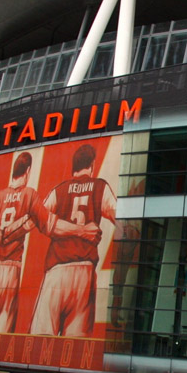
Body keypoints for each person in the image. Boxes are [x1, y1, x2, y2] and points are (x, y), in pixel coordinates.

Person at [0, 152, 97, 333]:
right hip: (11, 270)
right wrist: (82, 230)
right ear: (28, 171)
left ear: (14, 172)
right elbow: (50, 224)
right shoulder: (30, 196)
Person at [30, 143, 117, 337]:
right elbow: (121, 219)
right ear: (92, 165)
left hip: (57, 268)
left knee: (40, 340)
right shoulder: (100, 186)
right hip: (84, 271)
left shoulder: (59, 190)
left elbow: (36, 219)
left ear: (73, 167)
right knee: (74, 343)